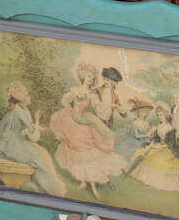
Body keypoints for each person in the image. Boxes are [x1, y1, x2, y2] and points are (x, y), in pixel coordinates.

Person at [48, 62, 127, 200]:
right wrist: (70, 111)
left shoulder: (92, 94)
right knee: (75, 152)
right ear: (83, 76)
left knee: (88, 153)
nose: (91, 79)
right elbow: (65, 101)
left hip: (85, 123)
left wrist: (112, 106)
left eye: (92, 77)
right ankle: (83, 181)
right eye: (89, 76)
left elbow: (99, 107)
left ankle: (94, 186)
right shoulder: (74, 91)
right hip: (72, 123)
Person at [0, 81, 66, 197]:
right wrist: (37, 121)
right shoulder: (22, 113)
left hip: (4, 147)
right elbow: (34, 137)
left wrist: (34, 126)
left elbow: (11, 133)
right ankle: (52, 191)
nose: (30, 97)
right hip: (14, 148)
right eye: (28, 95)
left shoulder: (10, 113)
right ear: (22, 98)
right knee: (39, 159)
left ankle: (37, 187)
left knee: (38, 154)